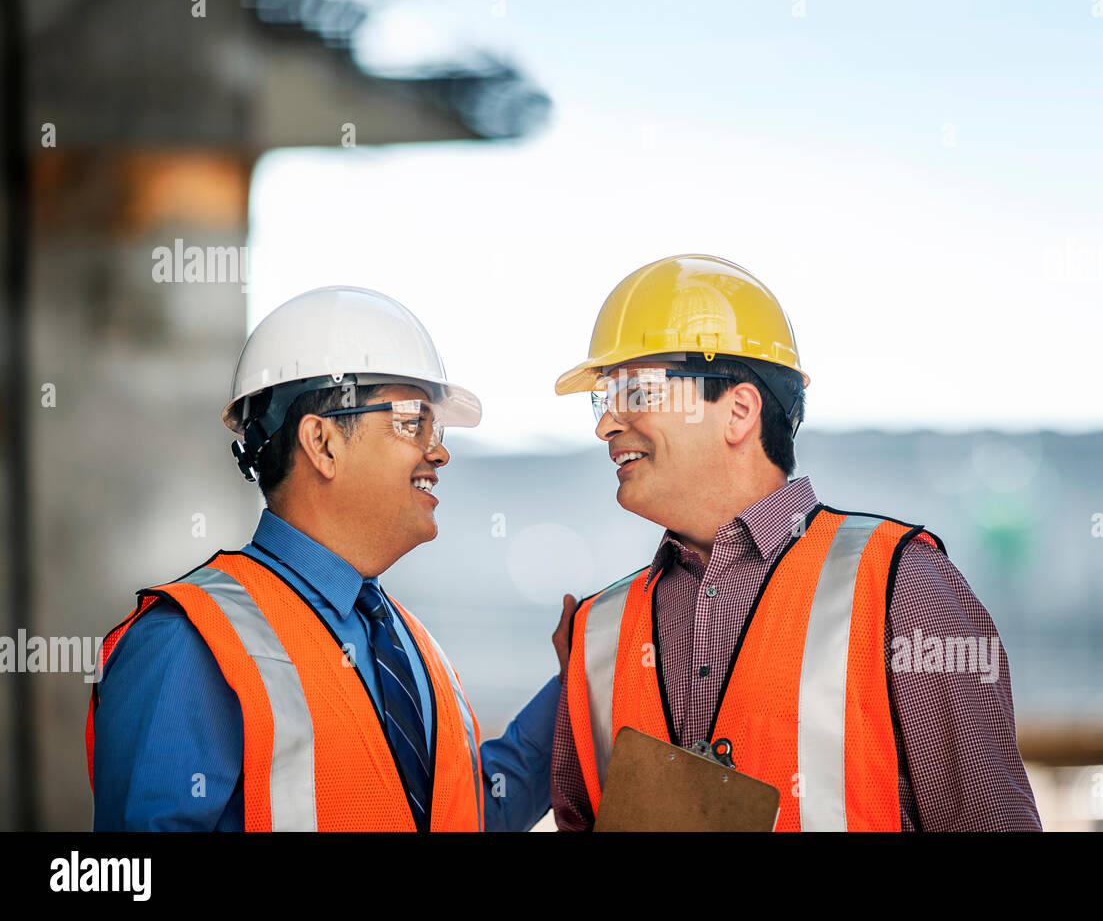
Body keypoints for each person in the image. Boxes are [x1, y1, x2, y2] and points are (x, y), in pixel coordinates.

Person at [551, 254, 1041, 831]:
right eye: (604, 398)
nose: (606, 423)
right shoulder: (596, 632)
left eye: (636, 392)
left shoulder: (901, 586)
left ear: (738, 411)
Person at [88, 285, 566, 831]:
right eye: (414, 422)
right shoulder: (189, 642)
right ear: (322, 443)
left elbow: (465, 815)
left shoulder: (411, 648)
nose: (439, 451)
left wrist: (587, 670)